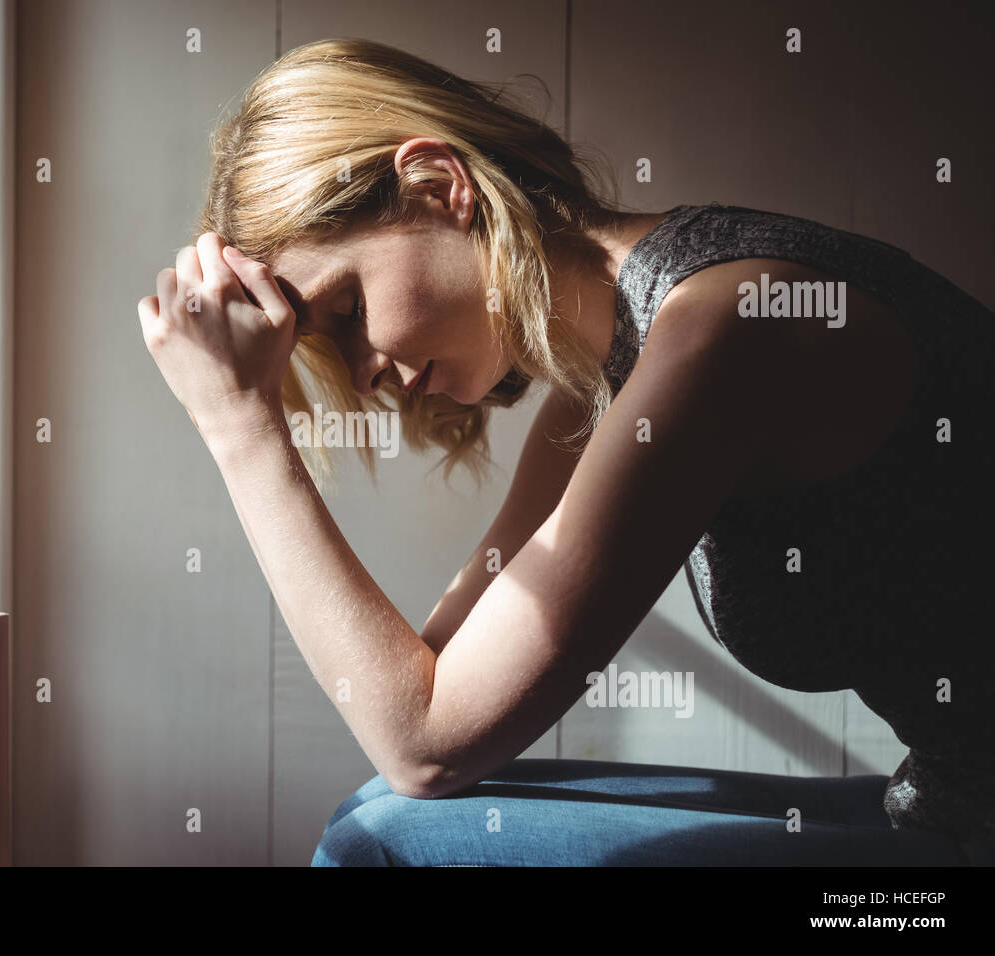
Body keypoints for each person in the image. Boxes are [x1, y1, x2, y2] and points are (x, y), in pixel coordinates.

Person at [137, 38, 994, 865]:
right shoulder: (607, 379)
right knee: (379, 814)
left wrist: (242, 429)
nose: (369, 379)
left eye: (350, 314)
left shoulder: (723, 334)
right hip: (938, 805)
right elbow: (425, 693)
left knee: (381, 845)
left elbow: (424, 743)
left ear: (439, 183)